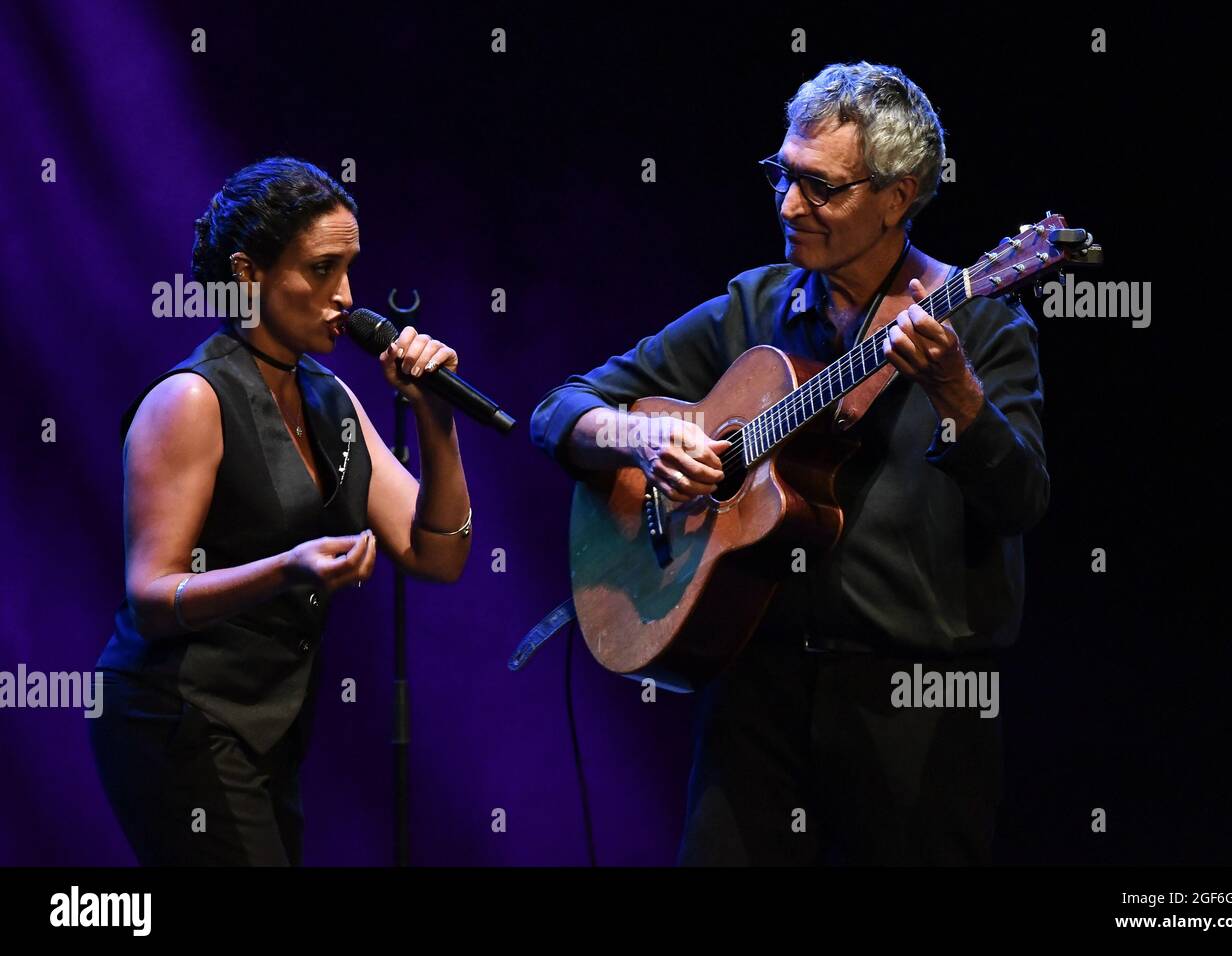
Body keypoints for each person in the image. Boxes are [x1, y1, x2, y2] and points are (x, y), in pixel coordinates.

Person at [531, 62, 1049, 865]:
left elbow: (1022, 501)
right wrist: (644, 438)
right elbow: (559, 410)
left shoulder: (984, 328)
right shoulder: (752, 306)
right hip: (754, 696)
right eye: (783, 175)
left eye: (821, 188)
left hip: (912, 707)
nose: (787, 205)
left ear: (898, 196)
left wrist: (958, 394)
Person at [91, 157, 473, 865]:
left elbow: (437, 554)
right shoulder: (191, 400)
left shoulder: (332, 399)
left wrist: (435, 420)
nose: (345, 298)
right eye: (321, 270)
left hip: (267, 725)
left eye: (349, 269)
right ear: (248, 275)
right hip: (175, 714)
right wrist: (285, 569)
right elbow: (151, 596)